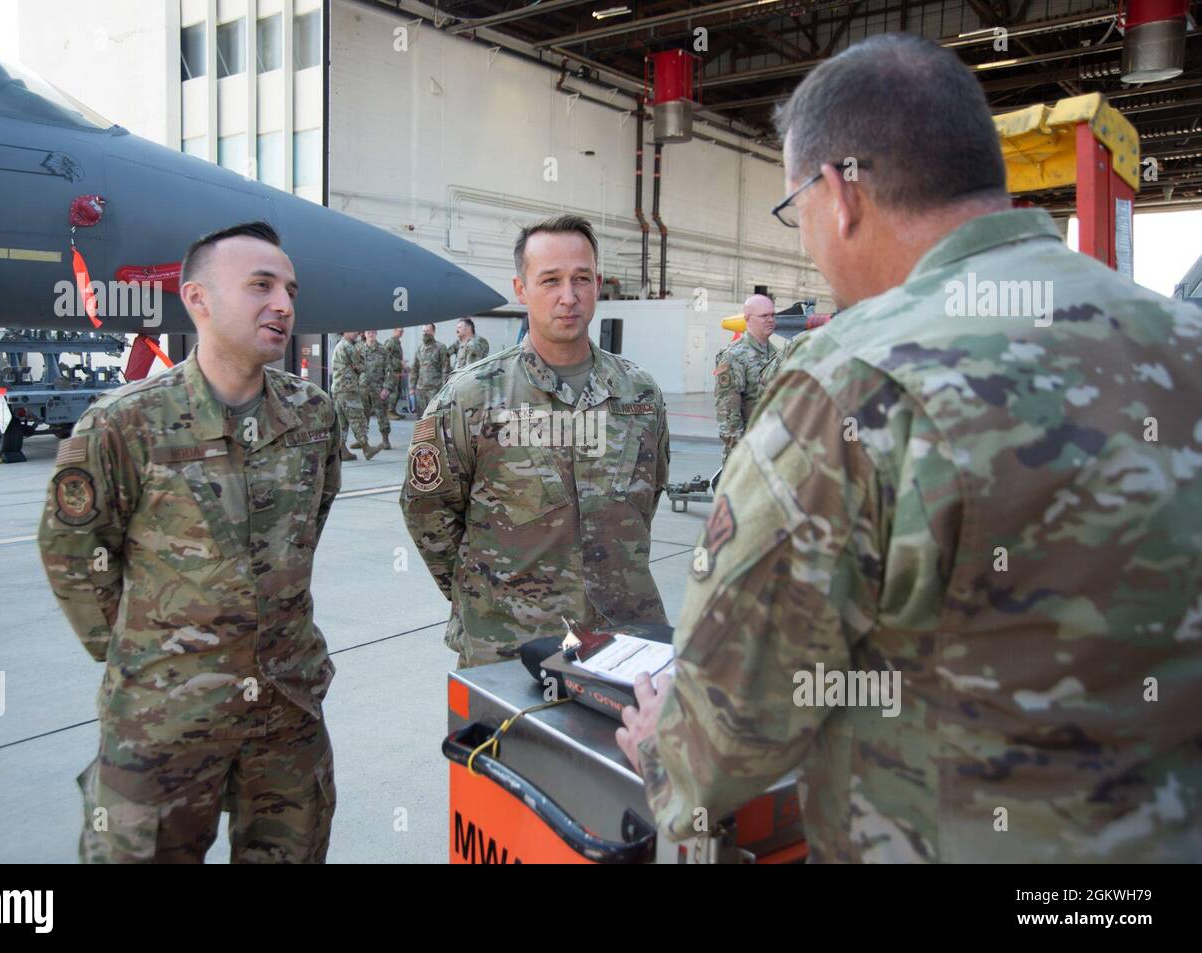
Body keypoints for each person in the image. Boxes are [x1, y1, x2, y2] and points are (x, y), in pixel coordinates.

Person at [616, 33, 1202, 862]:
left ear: (838, 195)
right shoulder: (1184, 341)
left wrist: (657, 743)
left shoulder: (851, 379)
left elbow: (729, 732)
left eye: (797, 211)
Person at [38, 221, 340, 863]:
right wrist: (148, 658)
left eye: (290, 289)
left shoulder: (313, 416)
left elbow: (310, 522)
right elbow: (75, 557)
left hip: (286, 712)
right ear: (196, 298)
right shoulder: (124, 423)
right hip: (163, 722)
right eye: (261, 285)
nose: (283, 304)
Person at [401, 214, 671, 668]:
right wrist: (485, 597)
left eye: (581, 278)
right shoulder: (472, 397)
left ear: (598, 284)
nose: (569, 297)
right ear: (522, 289)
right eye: (550, 280)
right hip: (509, 647)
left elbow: (647, 498)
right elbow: (426, 509)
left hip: (624, 640)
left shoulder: (638, 393)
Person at [714, 293, 780, 463]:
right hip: (747, 456)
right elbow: (728, 415)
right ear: (748, 319)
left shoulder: (776, 354)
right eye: (764, 315)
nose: (771, 320)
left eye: (773, 315)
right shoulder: (733, 356)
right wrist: (743, 455)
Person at [331, 330, 380, 459]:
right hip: (348, 388)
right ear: (345, 331)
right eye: (354, 332)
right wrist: (356, 367)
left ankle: (342, 450)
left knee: (342, 421)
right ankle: (366, 448)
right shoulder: (348, 346)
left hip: (338, 388)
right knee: (357, 418)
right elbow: (362, 365)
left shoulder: (338, 345)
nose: (357, 334)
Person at [356, 329, 396, 450]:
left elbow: (389, 370)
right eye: (368, 332)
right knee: (362, 416)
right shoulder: (358, 349)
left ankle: (385, 439)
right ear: (364, 334)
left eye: (373, 332)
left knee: (381, 414)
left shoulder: (383, 350)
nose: (371, 334)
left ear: (376, 334)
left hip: (378, 388)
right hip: (363, 388)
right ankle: (362, 440)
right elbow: (354, 368)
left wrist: (386, 388)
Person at [409, 323, 450, 418]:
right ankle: (422, 434)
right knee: (420, 418)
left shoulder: (441, 347)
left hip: (435, 390)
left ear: (433, 332)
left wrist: (444, 390)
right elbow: (414, 369)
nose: (425, 333)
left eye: (428, 331)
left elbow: (445, 369)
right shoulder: (419, 349)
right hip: (421, 390)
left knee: (434, 418)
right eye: (423, 331)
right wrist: (411, 387)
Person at [385, 327, 406, 420]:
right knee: (393, 392)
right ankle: (388, 411)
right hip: (392, 371)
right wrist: (399, 362)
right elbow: (386, 356)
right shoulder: (391, 342)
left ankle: (393, 410)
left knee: (397, 391)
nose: (401, 333)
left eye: (402, 331)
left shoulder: (397, 342)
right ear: (394, 330)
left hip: (397, 371)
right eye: (399, 331)